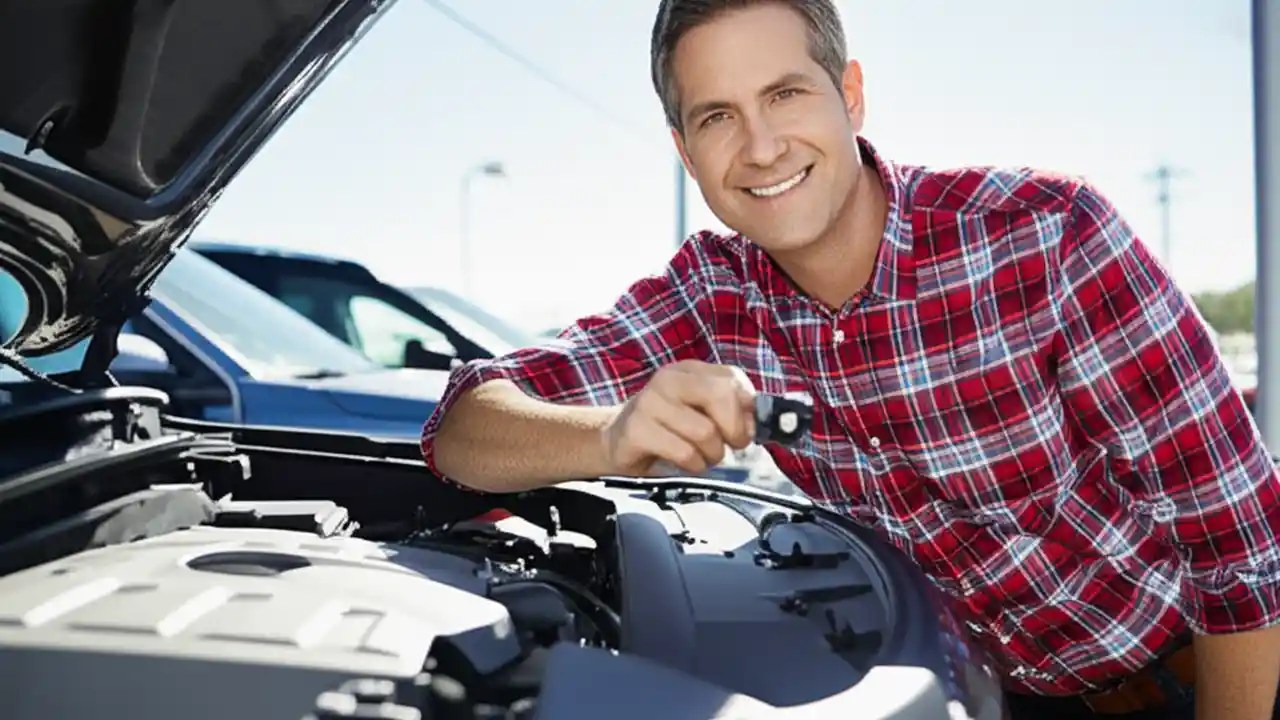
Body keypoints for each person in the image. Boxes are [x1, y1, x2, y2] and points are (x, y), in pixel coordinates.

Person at [420, 1, 1280, 717]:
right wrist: (609, 436)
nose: (760, 148)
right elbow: (463, 428)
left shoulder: (1042, 236)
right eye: (718, 116)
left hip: (1230, 675)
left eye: (786, 94)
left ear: (851, 94)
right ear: (686, 150)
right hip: (1004, 698)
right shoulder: (709, 297)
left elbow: (1242, 548)